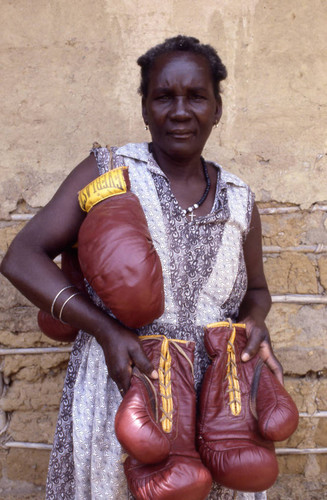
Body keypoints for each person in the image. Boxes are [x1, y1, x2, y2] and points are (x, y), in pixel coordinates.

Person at [1, 35, 283, 499]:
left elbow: (256, 291)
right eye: (163, 97)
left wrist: (255, 322)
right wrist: (105, 330)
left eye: (196, 97)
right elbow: (21, 257)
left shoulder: (239, 197)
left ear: (217, 108)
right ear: (145, 107)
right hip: (129, 385)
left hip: (221, 407)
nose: (179, 111)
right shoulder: (109, 172)